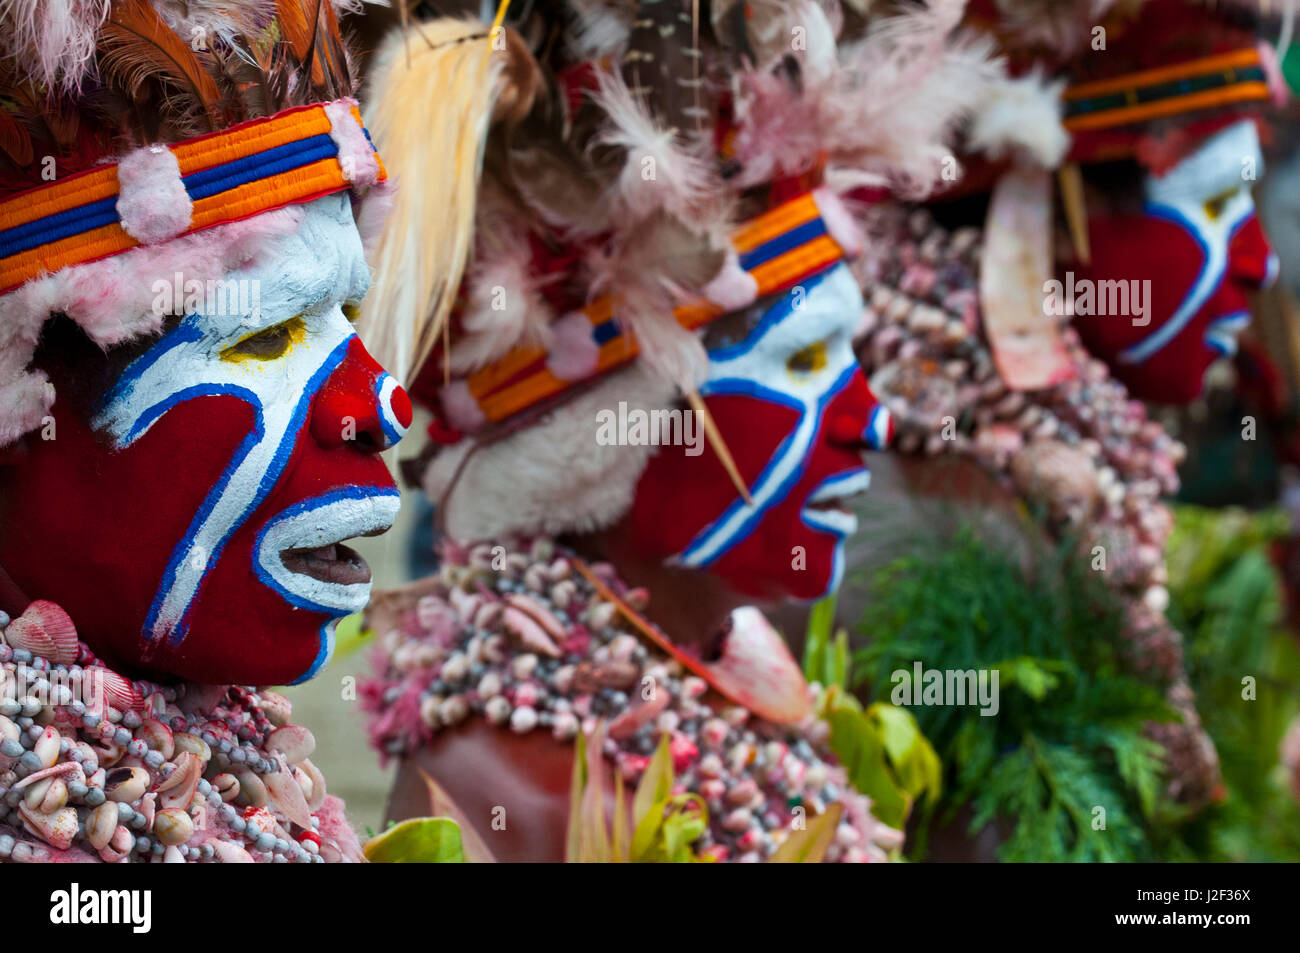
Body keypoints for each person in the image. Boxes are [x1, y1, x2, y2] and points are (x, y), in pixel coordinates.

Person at [360, 0, 1001, 862]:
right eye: (806, 362)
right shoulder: (521, 775)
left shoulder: (733, 654)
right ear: (607, 438)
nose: (873, 419)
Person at [0, 0, 408, 863]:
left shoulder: (231, 764)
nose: (382, 406)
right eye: (263, 334)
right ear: (22, 410)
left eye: (344, 315)